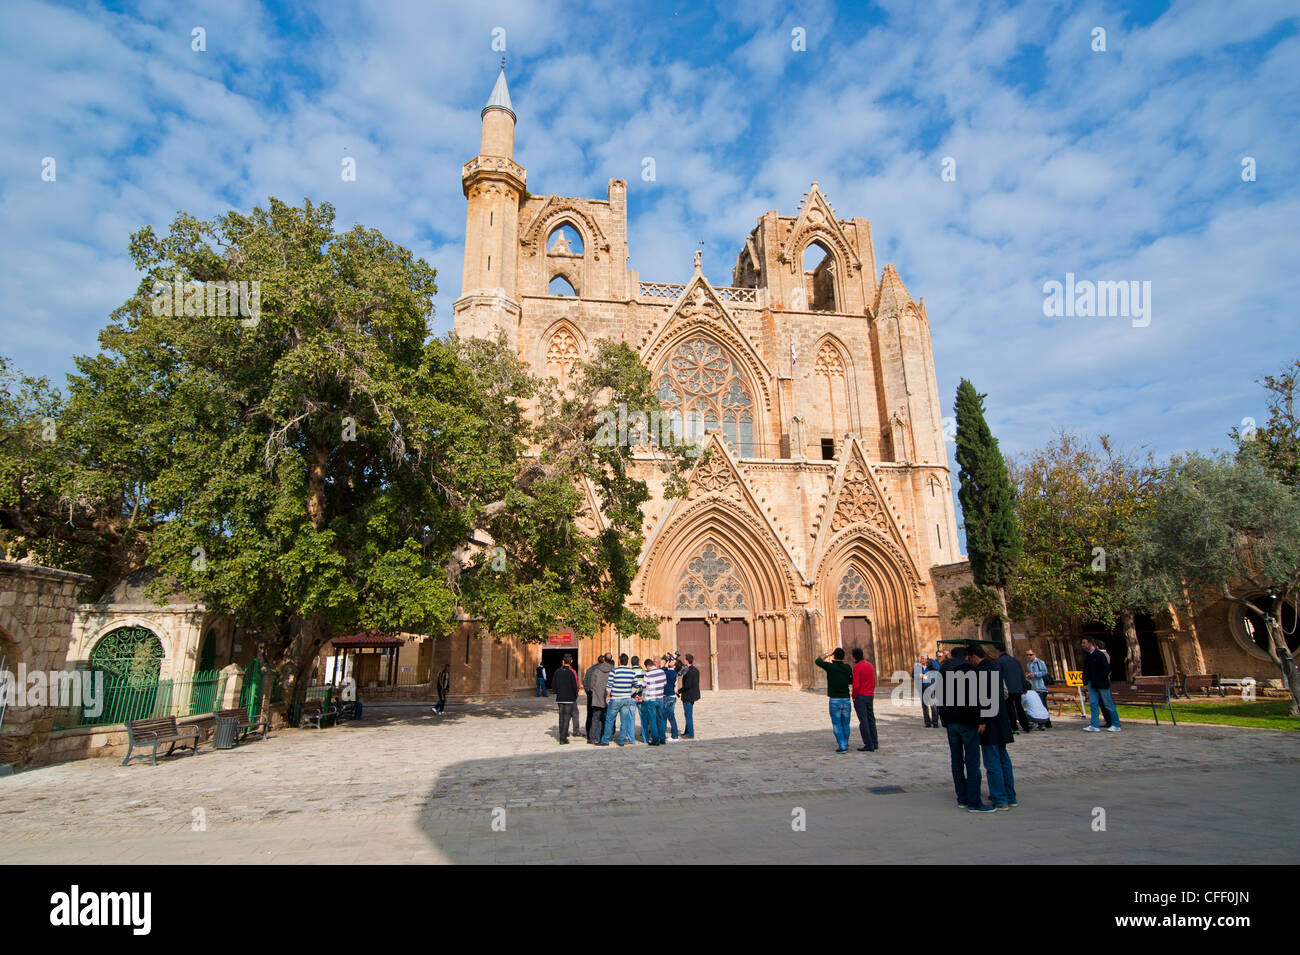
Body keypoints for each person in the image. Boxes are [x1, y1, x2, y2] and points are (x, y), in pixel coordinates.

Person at [937, 647, 993, 812]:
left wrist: (945, 719)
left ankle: (962, 797)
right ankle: (974, 802)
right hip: (967, 722)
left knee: (956, 761)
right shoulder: (969, 670)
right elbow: (976, 698)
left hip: (951, 723)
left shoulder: (943, 671)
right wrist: (981, 720)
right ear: (967, 657)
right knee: (972, 762)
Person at [969, 644, 1017, 809]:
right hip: (1002, 718)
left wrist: (981, 720)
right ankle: (1011, 796)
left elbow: (979, 699)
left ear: (974, 657)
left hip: (988, 721)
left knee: (991, 760)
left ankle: (999, 798)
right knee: (1004, 757)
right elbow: (1005, 693)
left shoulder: (977, 673)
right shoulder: (996, 669)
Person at [814, 647, 854, 754]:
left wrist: (827, 653)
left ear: (834, 656)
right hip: (846, 699)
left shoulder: (830, 667)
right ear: (844, 656)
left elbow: (818, 661)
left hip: (835, 700)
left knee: (837, 724)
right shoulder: (847, 667)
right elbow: (851, 680)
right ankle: (845, 743)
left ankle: (842, 746)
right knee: (846, 723)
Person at [1082, 637, 1122, 732]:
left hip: (1101, 683)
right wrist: (1085, 681)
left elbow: (1106, 669)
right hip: (1092, 683)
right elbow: (1086, 670)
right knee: (1093, 703)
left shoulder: (1100, 655)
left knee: (1108, 703)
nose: (1082, 645)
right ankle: (1095, 725)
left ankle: (1116, 724)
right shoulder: (1087, 656)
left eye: (1084, 643)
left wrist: (1100, 679)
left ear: (1090, 643)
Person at [599, 653, 638, 746]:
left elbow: (609, 684)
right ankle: (621, 740)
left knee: (609, 720)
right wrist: (630, 693)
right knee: (624, 720)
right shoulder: (632, 672)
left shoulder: (614, 671)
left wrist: (608, 695)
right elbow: (636, 686)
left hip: (616, 698)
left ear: (619, 661)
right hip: (626, 699)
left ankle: (606, 740)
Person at [995, 644, 1032, 733]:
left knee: (1010, 707)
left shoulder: (999, 661)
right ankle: (1025, 725)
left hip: (1007, 689)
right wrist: (1024, 687)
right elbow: (1021, 674)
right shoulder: (1015, 660)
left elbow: (998, 675)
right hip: (1017, 688)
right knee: (1019, 707)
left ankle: (1013, 726)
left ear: (998, 651)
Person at [851, 647, 878, 752]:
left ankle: (868, 744)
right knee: (871, 719)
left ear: (854, 656)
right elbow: (873, 681)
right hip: (869, 695)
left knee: (864, 721)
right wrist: (871, 691)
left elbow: (856, 685)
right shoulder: (870, 666)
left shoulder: (857, 667)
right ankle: (875, 742)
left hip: (861, 696)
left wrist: (854, 696)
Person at [551, 653, 582, 744]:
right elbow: (575, 686)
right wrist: (574, 696)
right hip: (569, 699)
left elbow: (554, 686)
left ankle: (562, 734)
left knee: (561, 717)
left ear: (563, 662)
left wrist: (558, 693)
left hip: (560, 698)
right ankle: (563, 738)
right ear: (571, 661)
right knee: (567, 718)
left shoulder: (557, 672)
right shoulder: (572, 672)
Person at [583, 653, 613, 744]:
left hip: (596, 696)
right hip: (608, 696)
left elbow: (590, 684)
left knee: (595, 718)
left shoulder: (594, 670)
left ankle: (592, 737)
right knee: (607, 718)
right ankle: (606, 736)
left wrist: (592, 693)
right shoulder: (613, 670)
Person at [640, 655, 667, 745]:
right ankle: (662, 738)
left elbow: (643, 686)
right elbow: (664, 683)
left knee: (652, 720)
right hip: (660, 698)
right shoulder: (662, 672)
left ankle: (655, 739)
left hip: (651, 699)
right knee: (661, 719)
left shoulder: (648, 674)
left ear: (648, 666)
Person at [679, 653, 700, 739]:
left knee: (688, 715)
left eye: (684, 659)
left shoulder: (688, 671)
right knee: (688, 713)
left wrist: (679, 691)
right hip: (693, 695)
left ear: (687, 660)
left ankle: (690, 733)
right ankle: (687, 731)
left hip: (688, 695)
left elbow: (687, 685)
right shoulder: (695, 670)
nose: (684, 661)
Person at [660, 654, 681, 741]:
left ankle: (663, 735)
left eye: (672, 661)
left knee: (664, 717)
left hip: (667, 697)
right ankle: (674, 735)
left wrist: (665, 663)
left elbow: (661, 671)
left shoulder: (670, 673)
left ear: (675, 665)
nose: (671, 661)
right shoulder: (673, 673)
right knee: (671, 716)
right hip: (671, 696)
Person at [916, 653, 940, 727]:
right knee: (925, 706)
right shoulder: (918, 666)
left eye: (923, 658)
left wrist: (931, 661)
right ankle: (927, 722)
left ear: (927, 659)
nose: (922, 660)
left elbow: (936, 669)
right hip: (922, 689)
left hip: (930, 688)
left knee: (933, 706)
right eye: (921, 658)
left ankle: (935, 722)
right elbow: (913, 674)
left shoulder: (931, 666)